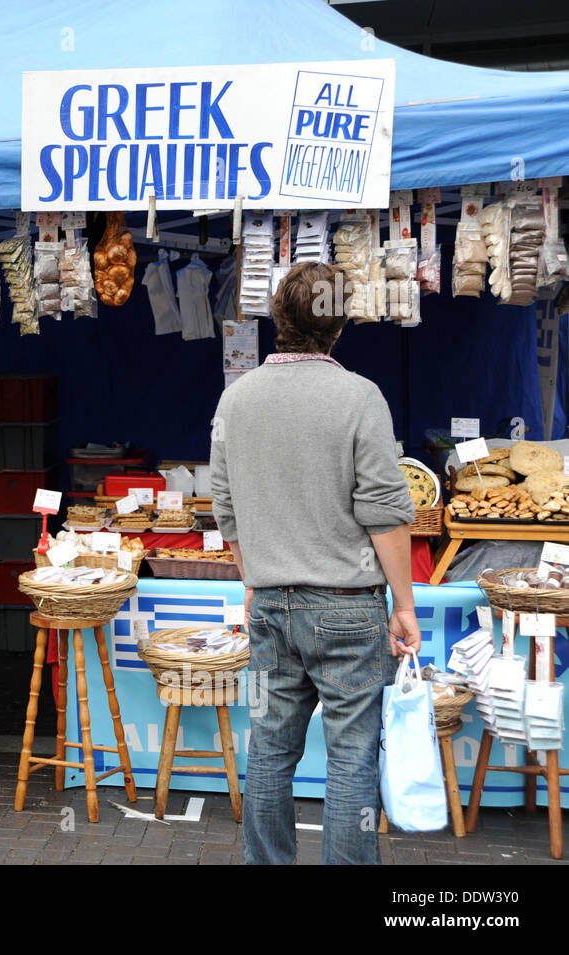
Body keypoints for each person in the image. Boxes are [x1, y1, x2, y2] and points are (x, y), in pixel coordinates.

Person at [209, 262, 421, 865]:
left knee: (269, 749)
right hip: (348, 608)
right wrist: (403, 607)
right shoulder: (360, 396)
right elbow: (385, 511)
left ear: (277, 320)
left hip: (271, 606)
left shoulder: (237, 398)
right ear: (340, 325)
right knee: (353, 756)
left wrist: (252, 577)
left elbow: (225, 506)